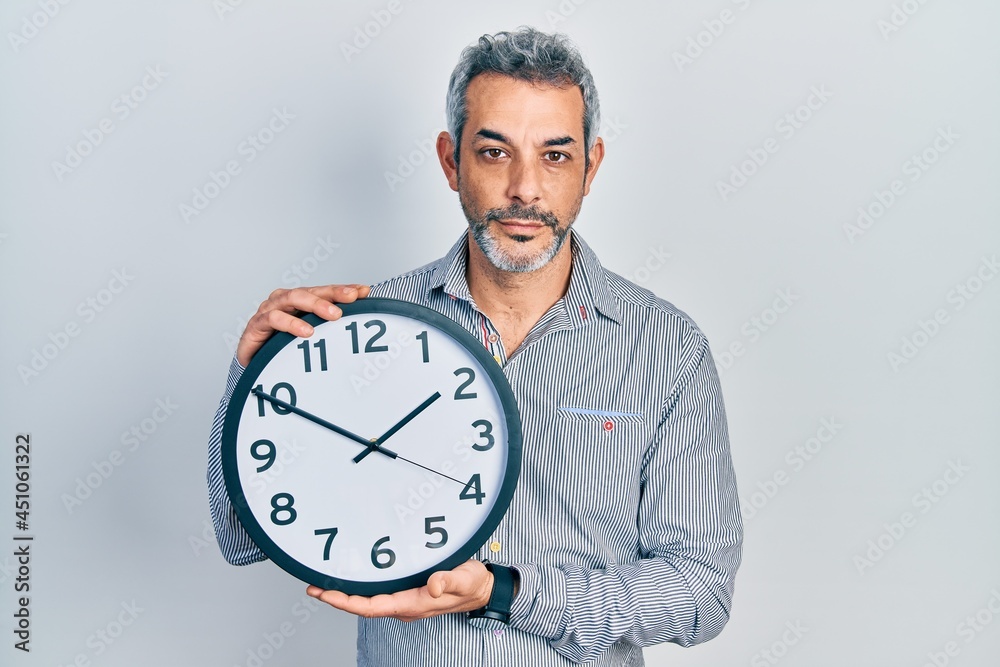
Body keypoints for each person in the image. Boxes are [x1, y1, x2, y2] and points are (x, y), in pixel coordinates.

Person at [207, 27, 742, 667]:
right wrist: (252, 380)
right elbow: (242, 535)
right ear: (449, 160)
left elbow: (703, 591)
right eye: (494, 153)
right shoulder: (357, 333)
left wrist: (506, 593)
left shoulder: (665, 348)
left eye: (555, 156)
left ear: (591, 167)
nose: (524, 189)